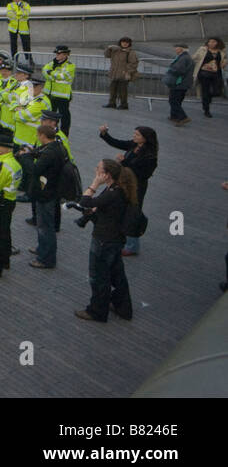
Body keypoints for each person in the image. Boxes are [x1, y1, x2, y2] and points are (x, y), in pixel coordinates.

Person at [74, 159, 137, 322]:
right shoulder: (118, 190)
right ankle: (123, 307)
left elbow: (84, 201)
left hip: (104, 240)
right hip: (115, 239)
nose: (96, 170)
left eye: (98, 169)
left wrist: (94, 184)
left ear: (106, 175)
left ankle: (97, 311)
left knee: (99, 276)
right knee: (117, 275)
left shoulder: (112, 193)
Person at [98, 123, 158, 257]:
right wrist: (105, 135)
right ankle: (123, 239)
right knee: (124, 210)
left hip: (137, 186)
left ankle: (132, 245)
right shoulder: (134, 146)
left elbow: (143, 173)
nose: (134, 136)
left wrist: (124, 162)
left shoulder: (150, 156)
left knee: (133, 213)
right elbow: (118, 143)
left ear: (145, 138)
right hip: (126, 183)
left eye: (137, 135)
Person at [23, 125, 65, 269]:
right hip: (50, 191)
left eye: (38, 135)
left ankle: (46, 259)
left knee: (46, 227)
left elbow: (35, 169)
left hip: (46, 193)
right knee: (43, 225)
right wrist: (33, 153)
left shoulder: (49, 153)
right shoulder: (56, 146)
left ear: (42, 135)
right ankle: (42, 248)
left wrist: (25, 157)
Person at [192, 37, 226, 117]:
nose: (211, 43)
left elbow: (223, 61)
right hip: (204, 74)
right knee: (205, 91)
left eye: (213, 42)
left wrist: (224, 62)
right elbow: (194, 58)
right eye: (210, 42)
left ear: (217, 43)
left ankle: (208, 99)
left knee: (217, 91)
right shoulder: (203, 49)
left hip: (216, 74)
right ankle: (206, 109)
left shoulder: (221, 51)